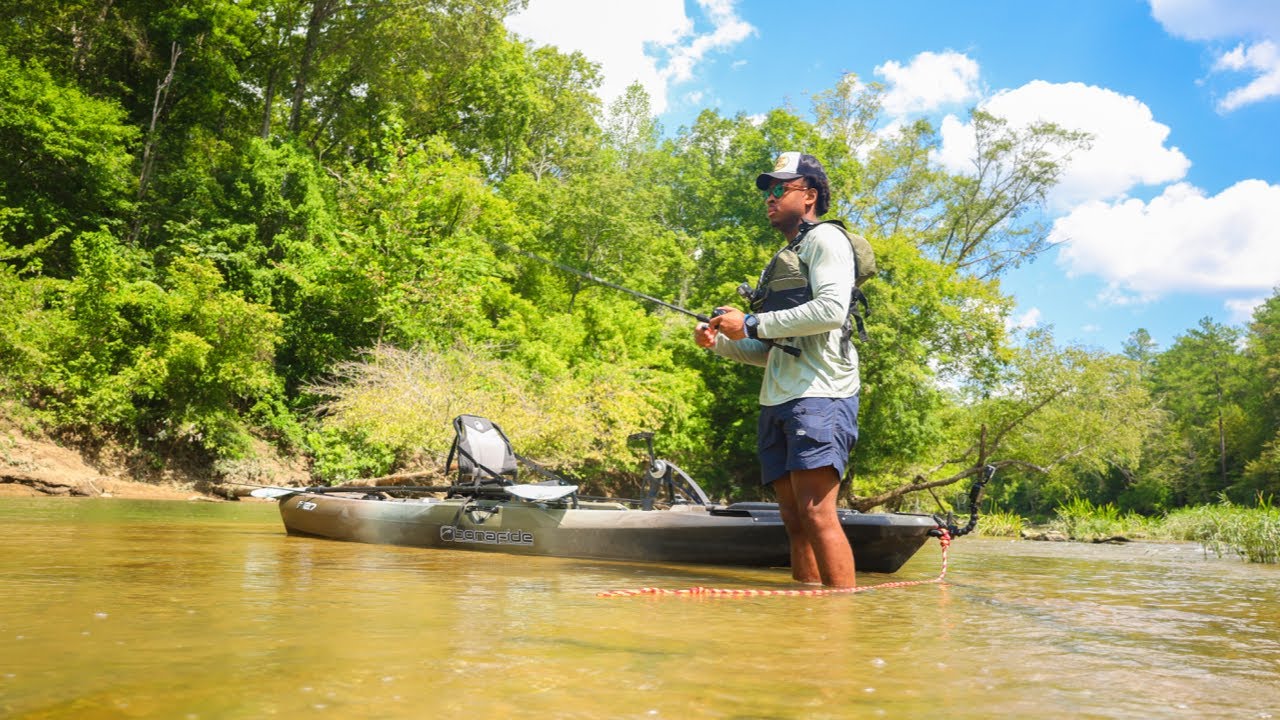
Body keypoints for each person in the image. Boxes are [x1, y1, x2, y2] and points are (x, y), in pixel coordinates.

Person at [695, 151, 860, 587]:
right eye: (767, 191)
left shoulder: (827, 240)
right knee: (793, 519)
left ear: (809, 195)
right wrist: (722, 343)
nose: (769, 198)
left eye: (778, 189)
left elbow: (830, 310)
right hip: (779, 398)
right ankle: (808, 614)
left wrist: (749, 321)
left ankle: (841, 623)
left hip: (821, 394)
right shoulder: (784, 257)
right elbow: (771, 352)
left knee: (816, 513)